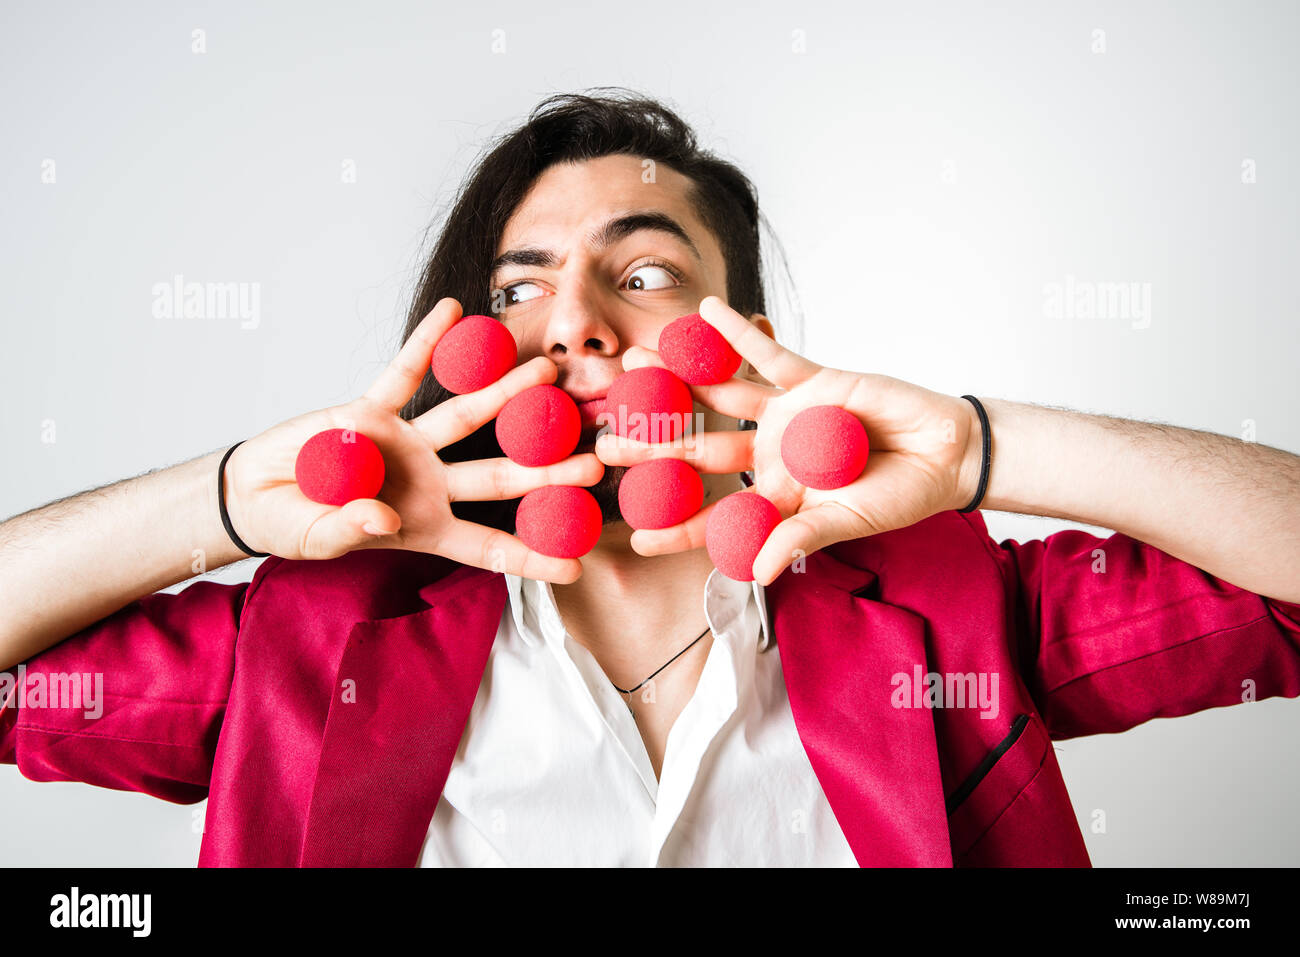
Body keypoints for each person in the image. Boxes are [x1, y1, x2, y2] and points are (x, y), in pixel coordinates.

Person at [2, 90, 1298, 867]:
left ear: (740, 329)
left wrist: (979, 450)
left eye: (642, 271)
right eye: (520, 283)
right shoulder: (310, 636)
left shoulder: (944, 618)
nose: (570, 318)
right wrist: (226, 498)